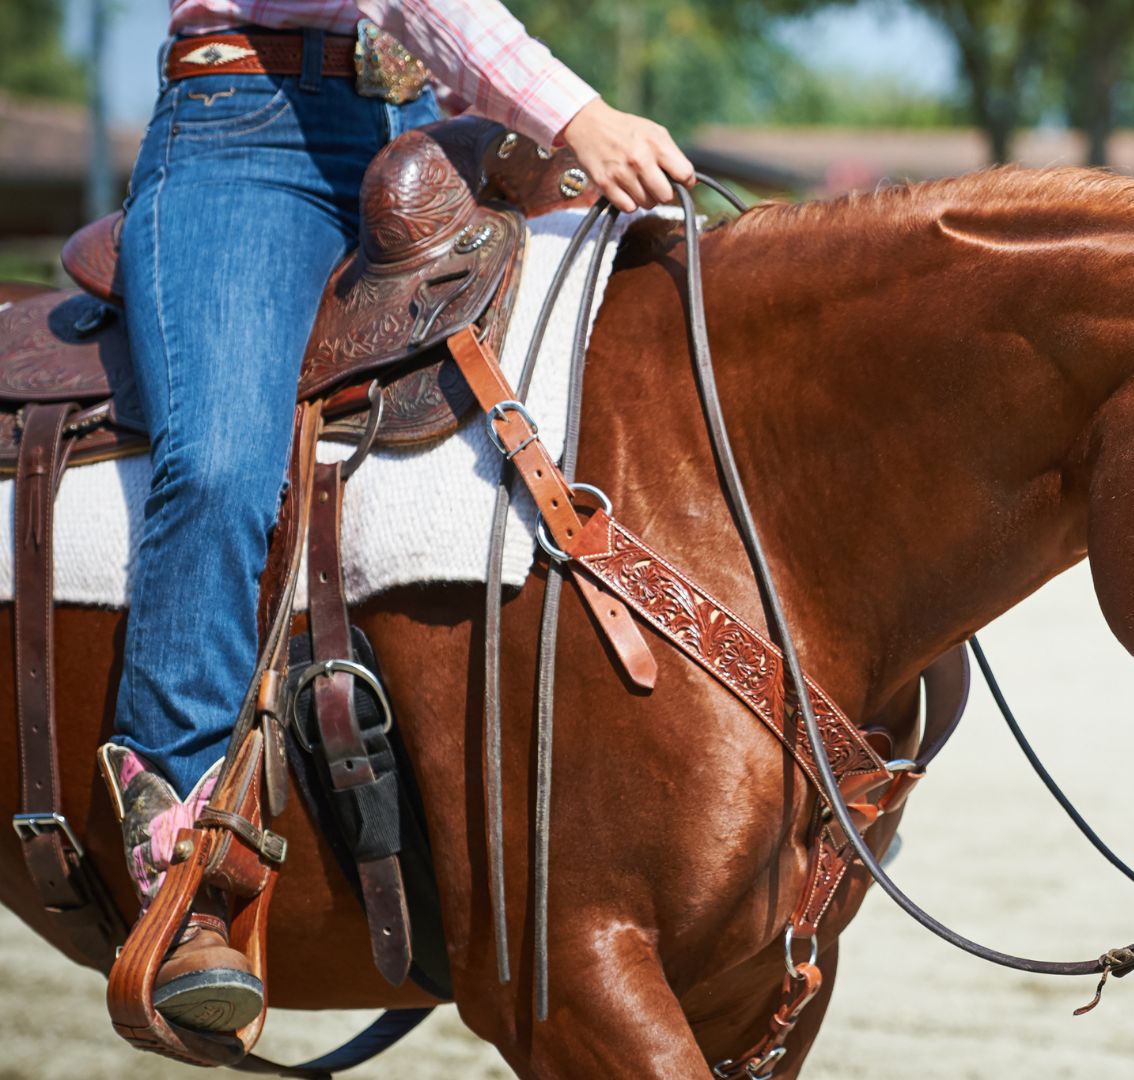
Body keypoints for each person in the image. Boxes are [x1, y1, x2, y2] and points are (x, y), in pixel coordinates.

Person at [98, 0, 693, 1033]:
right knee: (221, 465)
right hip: (247, 137)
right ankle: (180, 854)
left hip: (419, 131)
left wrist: (509, 137)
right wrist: (578, 115)